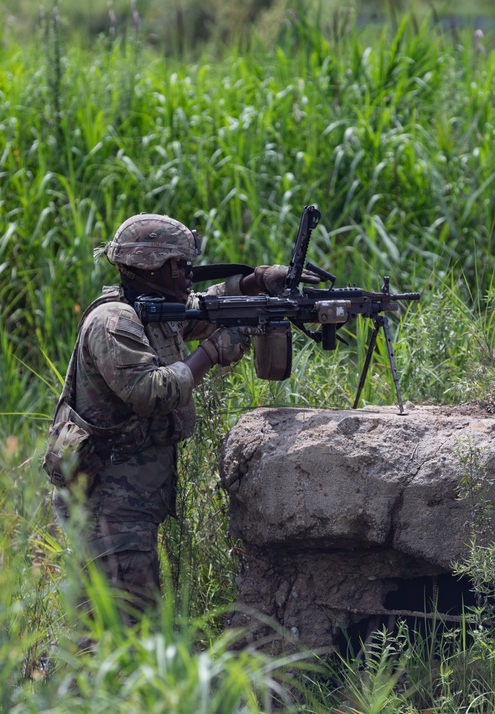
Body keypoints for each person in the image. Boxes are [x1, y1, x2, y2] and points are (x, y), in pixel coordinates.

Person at [44, 212, 303, 630]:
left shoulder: (152, 309)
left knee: (117, 622)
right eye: (179, 265)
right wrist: (212, 353)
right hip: (110, 502)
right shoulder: (114, 323)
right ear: (150, 268)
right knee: (120, 627)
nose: (188, 274)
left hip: (129, 499)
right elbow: (150, 392)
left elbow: (207, 309)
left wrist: (256, 282)